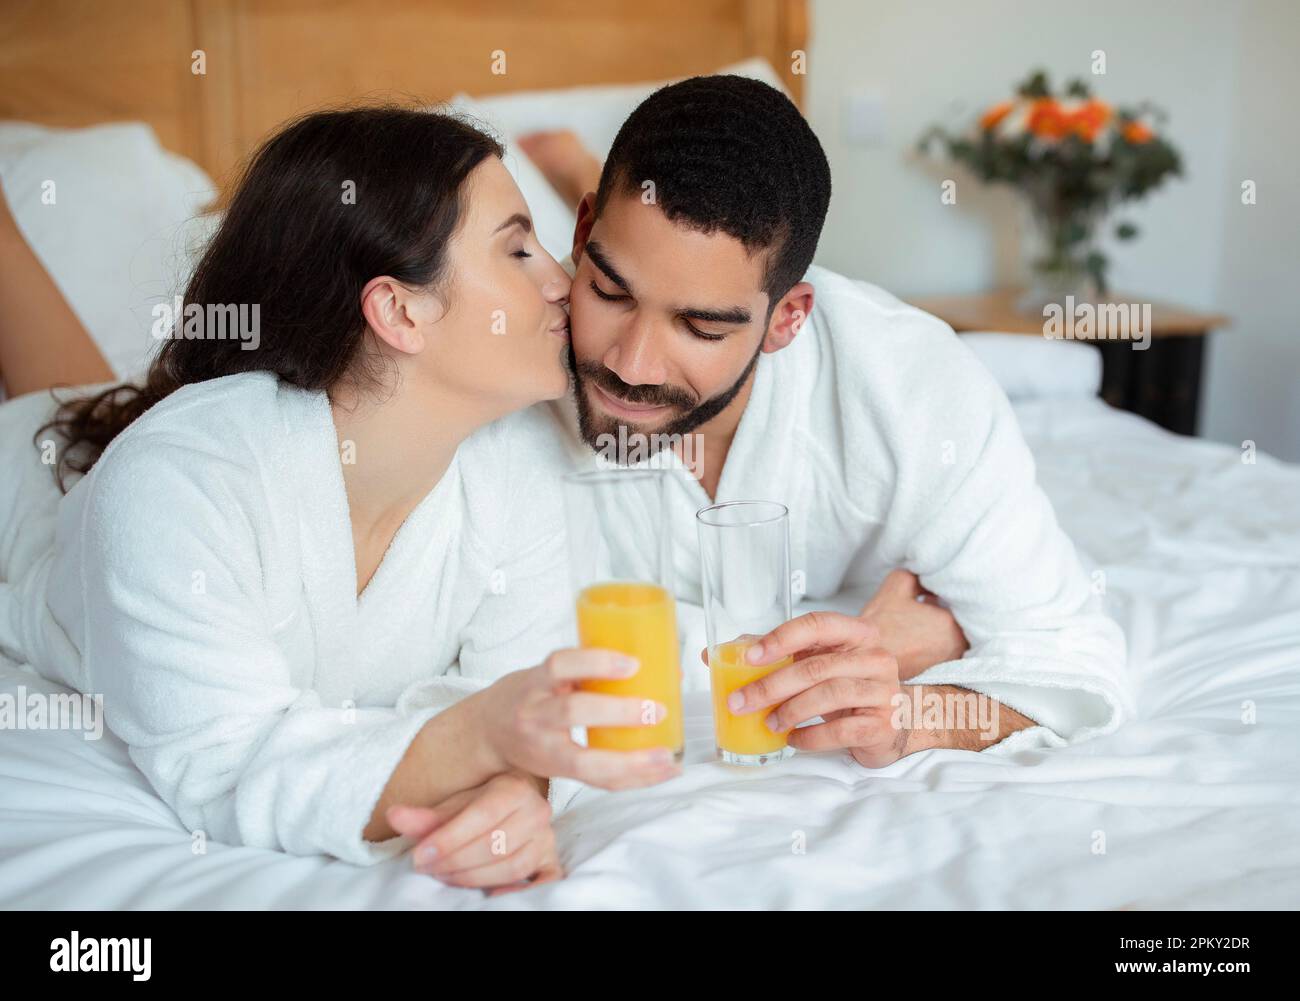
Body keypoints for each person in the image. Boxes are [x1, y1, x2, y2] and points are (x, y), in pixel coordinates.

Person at [0, 106, 682, 891]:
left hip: (129, 442)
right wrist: (485, 737)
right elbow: (229, 764)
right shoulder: (177, 486)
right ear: (397, 310)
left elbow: (512, 696)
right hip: (39, 486)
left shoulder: (514, 457)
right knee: (51, 420)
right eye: (518, 249)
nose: (563, 284)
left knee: (89, 396)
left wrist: (511, 793)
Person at [520, 74, 1130, 763]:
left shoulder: (913, 386)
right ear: (581, 232)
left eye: (699, 327)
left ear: (788, 319)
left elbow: (1076, 660)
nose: (631, 364)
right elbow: (489, 648)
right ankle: (573, 168)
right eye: (608, 291)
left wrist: (910, 714)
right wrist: (881, 640)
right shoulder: (504, 360)